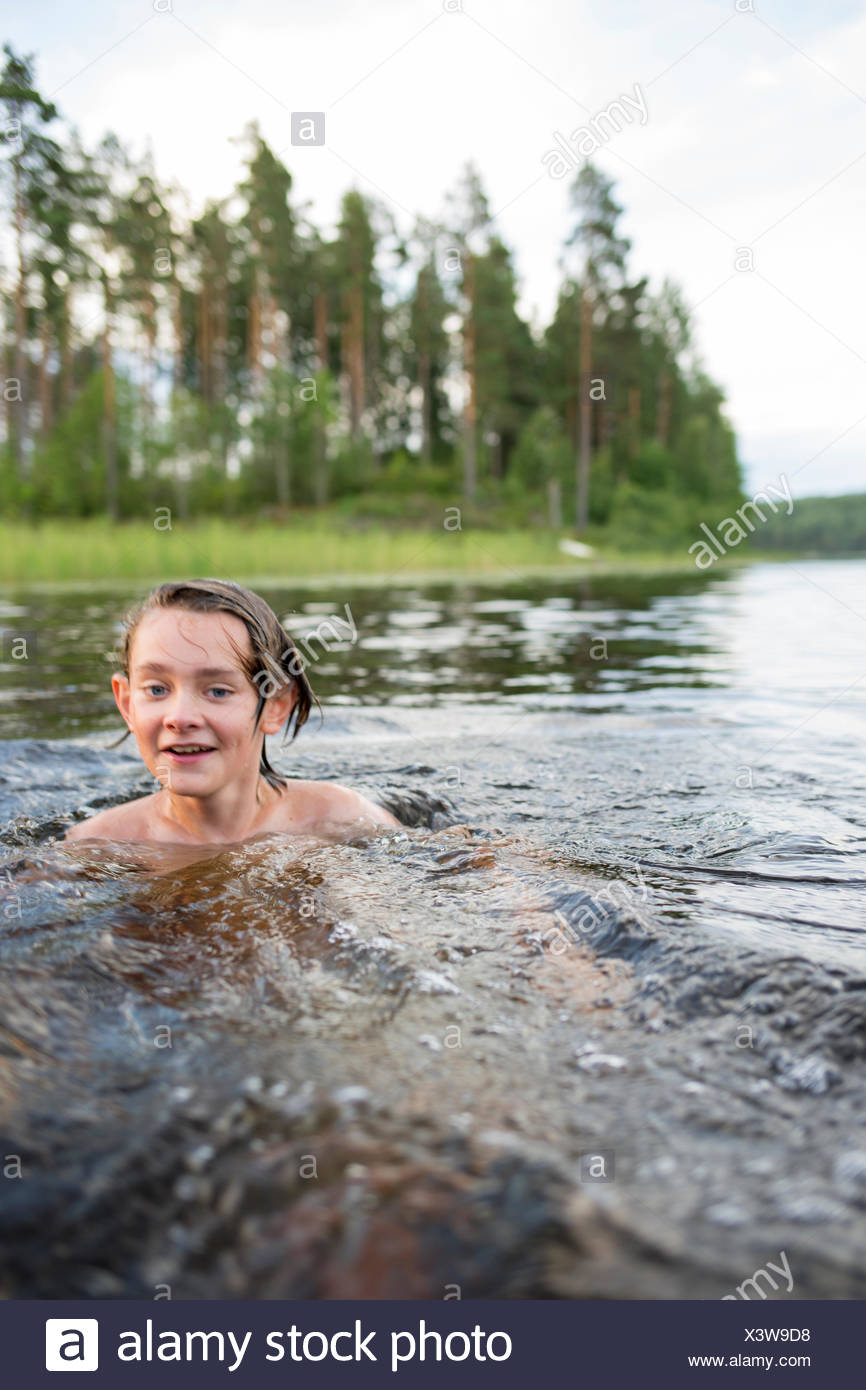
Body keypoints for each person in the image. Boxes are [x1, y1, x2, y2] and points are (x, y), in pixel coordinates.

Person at [64, 578, 402, 845]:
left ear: (275, 705)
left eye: (217, 691)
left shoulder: (338, 820)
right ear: (126, 703)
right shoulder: (97, 845)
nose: (180, 717)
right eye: (157, 689)